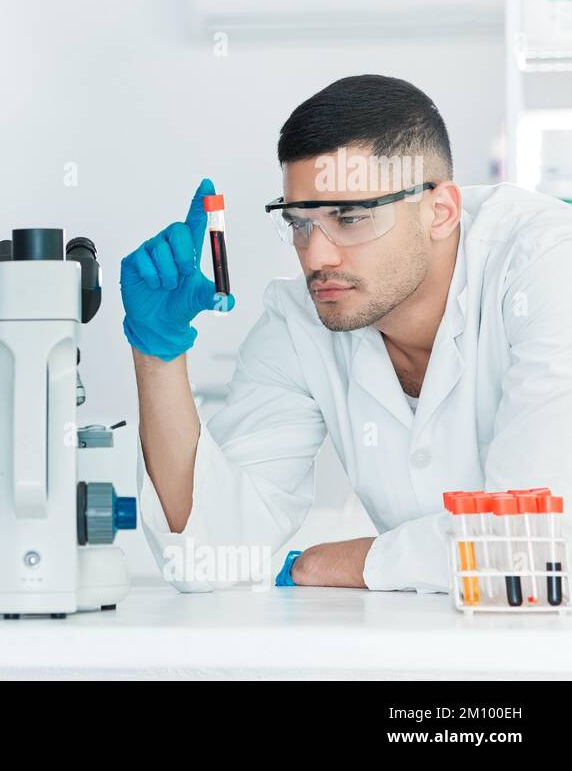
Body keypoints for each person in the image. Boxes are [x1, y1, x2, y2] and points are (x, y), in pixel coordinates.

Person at [121, 74, 572, 593]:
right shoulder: (302, 318)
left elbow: (534, 544)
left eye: (350, 218)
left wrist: (354, 563)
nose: (316, 257)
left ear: (440, 212)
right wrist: (156, 352)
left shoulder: (545, 266)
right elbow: (208, 557)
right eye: (299, 223)